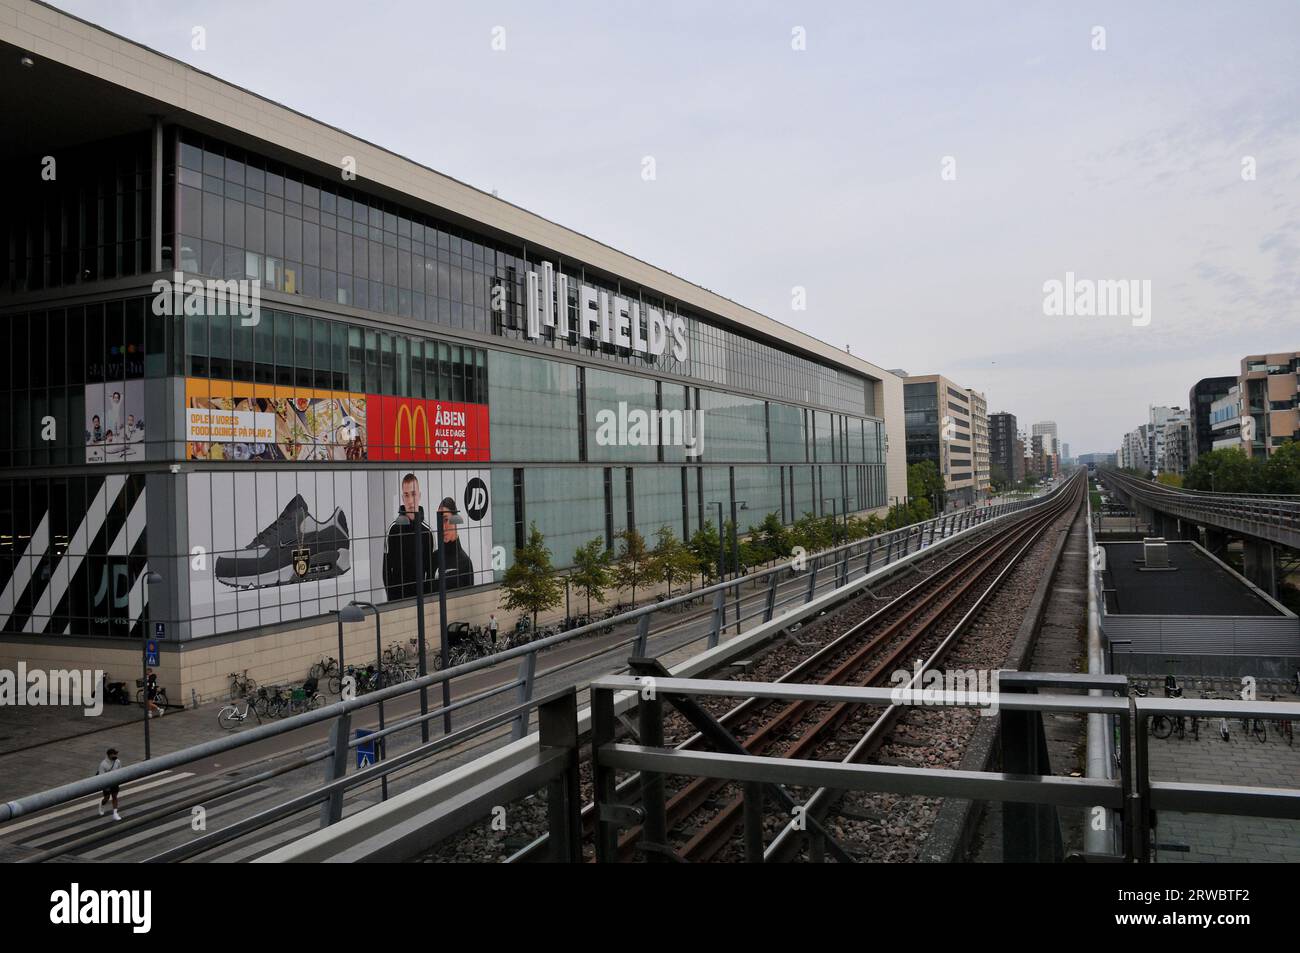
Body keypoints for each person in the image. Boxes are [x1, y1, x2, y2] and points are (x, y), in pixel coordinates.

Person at [382, 473, 435, 600]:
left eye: (413, 494)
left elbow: (431, 572)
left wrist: (425, 599)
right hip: (398, 603)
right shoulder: (393, 530)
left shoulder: (427, 532)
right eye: (406, 495)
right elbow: (386, 571)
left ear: (420, 495)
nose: (410, 500)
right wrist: (394, 602)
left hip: (421, 602)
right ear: (402, 497)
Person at [433, 496, 476, 591]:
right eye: (439, 521)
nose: (443, 527)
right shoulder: (433, 558)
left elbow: (469, 599)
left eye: (445, 520)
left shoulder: (465, 562)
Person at [97, 748, 122, 820]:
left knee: (114, 797)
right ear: (109, 755)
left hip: (115, 782)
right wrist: (105, 786)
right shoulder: (103, 764)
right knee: (106, 798)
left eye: (116, 754)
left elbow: (120, 770)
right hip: (107, 784)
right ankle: (102, 804)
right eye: (113, 754)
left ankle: (115, 813)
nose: (115, 755)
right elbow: (101, 776)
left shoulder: (117, 761)